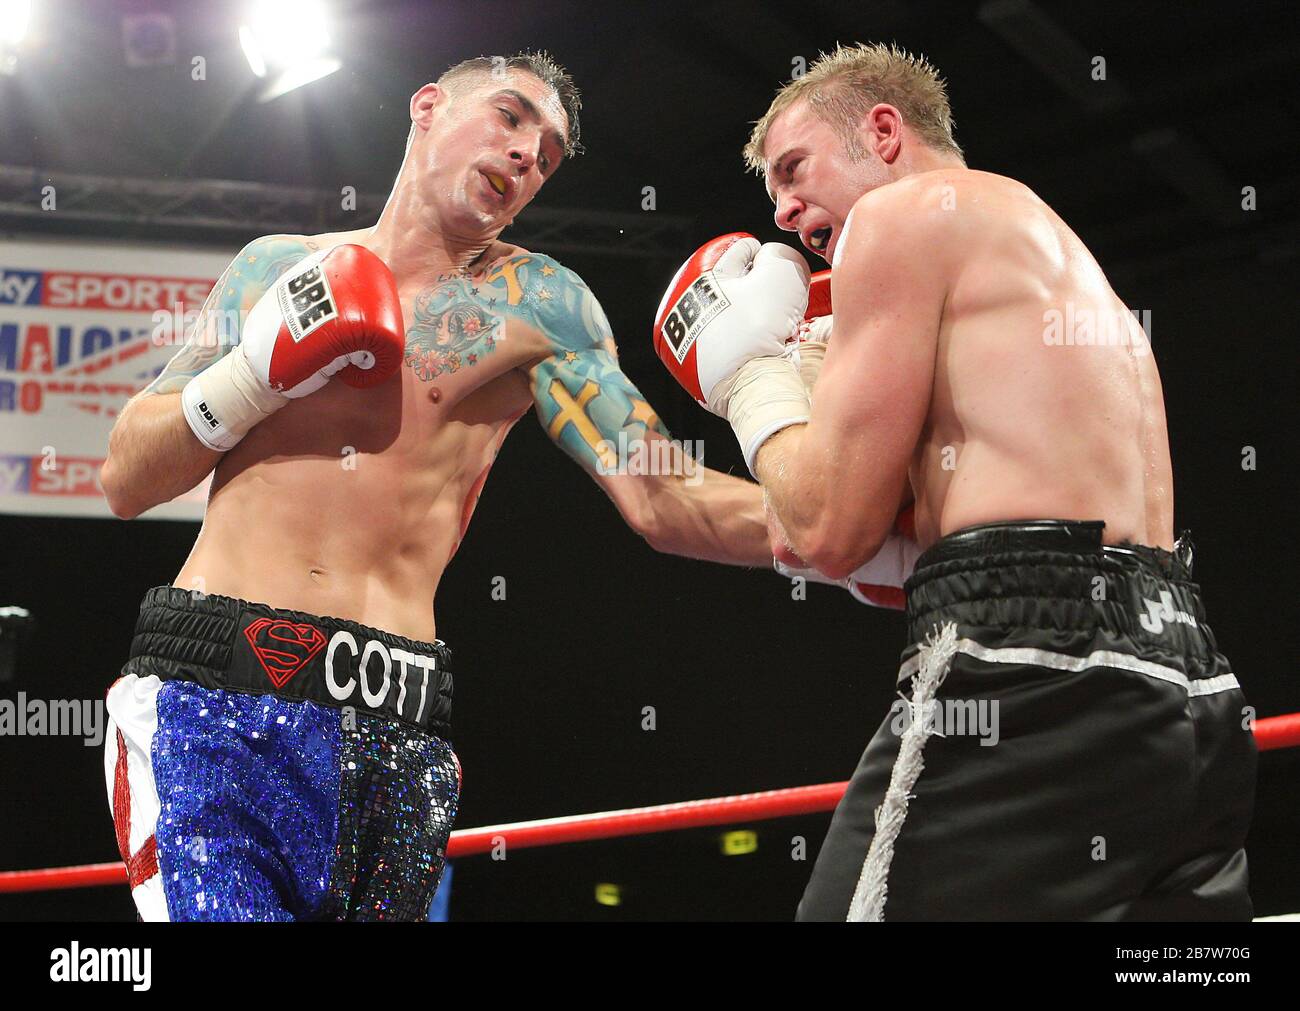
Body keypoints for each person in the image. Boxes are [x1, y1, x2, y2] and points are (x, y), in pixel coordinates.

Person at [98, 51, 773, 922]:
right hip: (216, 701)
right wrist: (249, 378)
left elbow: (663, 494)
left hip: (401, 727)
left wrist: (856, 520)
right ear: (427, 108)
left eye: (552, 152)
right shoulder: (273, 268)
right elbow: (125, 475)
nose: (530, 152)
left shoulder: (543, 306)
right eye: (510, 115)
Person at [653, 42, 1255, 920]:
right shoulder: (1049, 250)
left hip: (1022, 671)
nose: (784, 212)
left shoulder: (897, 222)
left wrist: (749, 380)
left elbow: (821, 531)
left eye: (794, 169)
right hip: (1189, 677)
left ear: (884, 132)